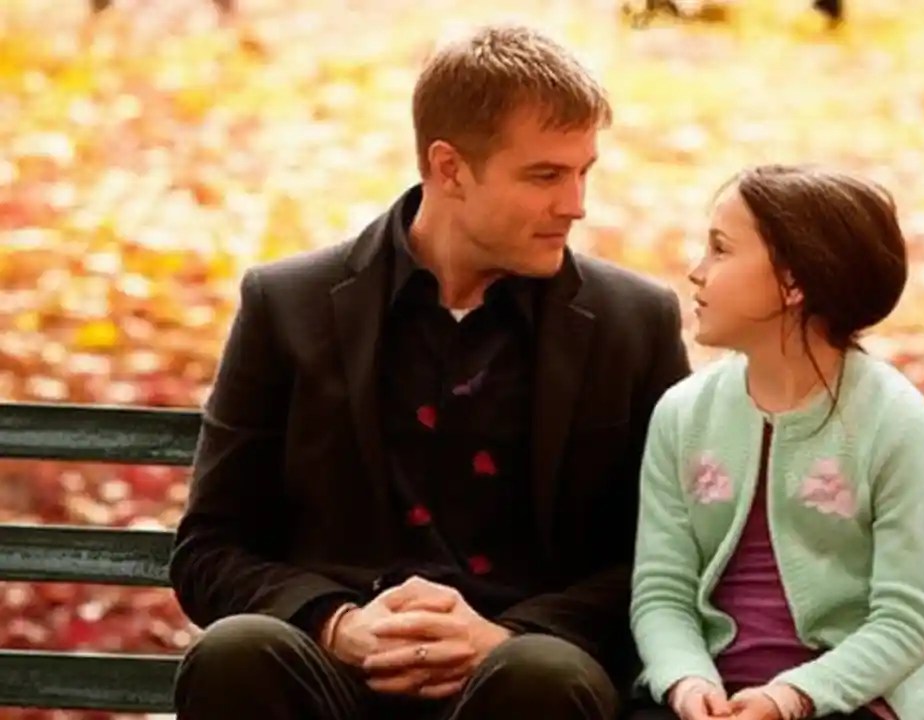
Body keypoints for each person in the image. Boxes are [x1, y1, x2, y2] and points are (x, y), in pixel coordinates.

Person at [168, 23, 691, 720]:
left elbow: (666, 561)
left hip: (523, 675)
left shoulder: (635, 321)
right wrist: (337, 625)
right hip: (331, 675)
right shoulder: (286, 304)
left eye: (582, 171)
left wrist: (508, 636)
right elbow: (210, 546)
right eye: (544, 175)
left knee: (539, 675)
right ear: (449, 169)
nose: (575, 204)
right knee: (236, 652)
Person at [628, 165, 924, 720]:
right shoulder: (683, 414)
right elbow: (662, 594)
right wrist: (687, 683)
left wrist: (790, 699)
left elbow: (905, 621)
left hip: (852, 701)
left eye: (720, 249)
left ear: (792, 282)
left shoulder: (894, 420)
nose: (695, 271)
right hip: (711, 699)